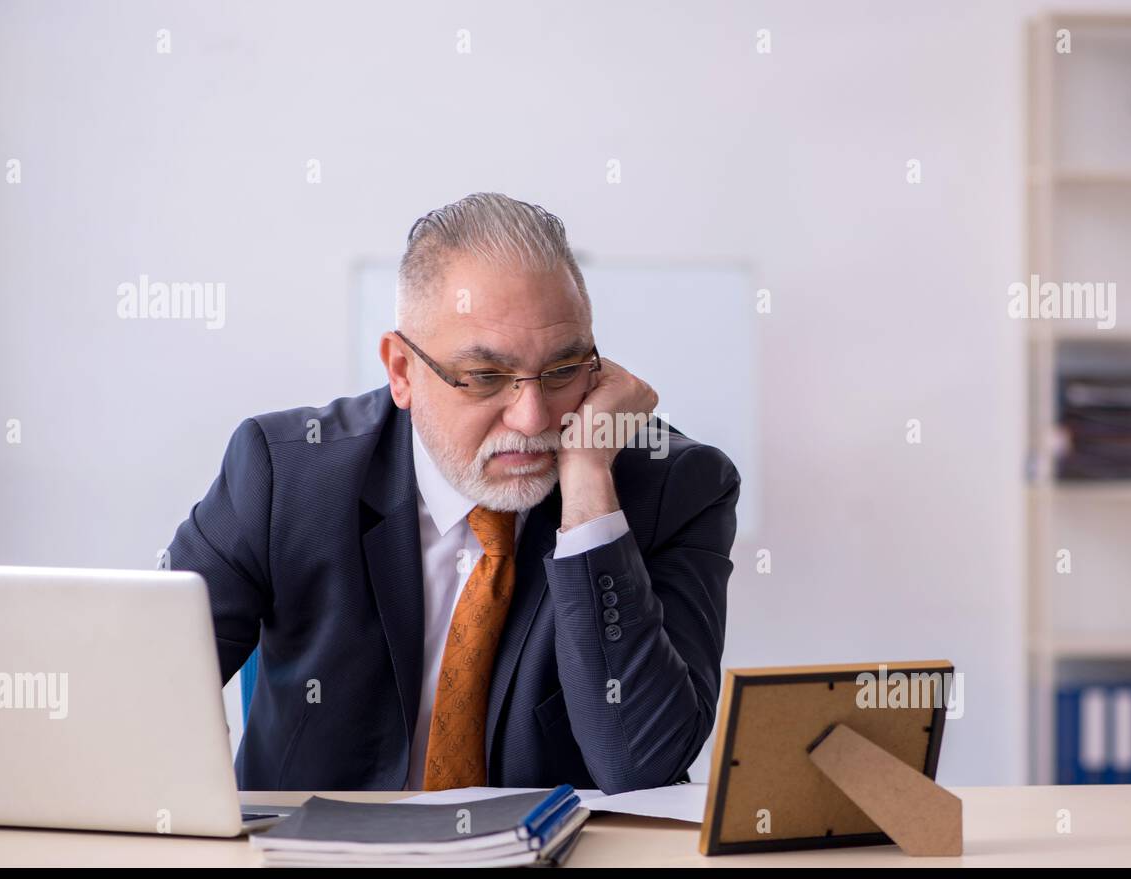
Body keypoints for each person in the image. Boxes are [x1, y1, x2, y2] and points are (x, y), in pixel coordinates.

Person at [167, 192, 741, 793]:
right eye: (485, 378)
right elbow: (142, 690)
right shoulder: (285, 474)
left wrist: (589, 486)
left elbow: (642, 768)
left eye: (563, 370)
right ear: (401, 371)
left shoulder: (677, 487)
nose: (530, 416)